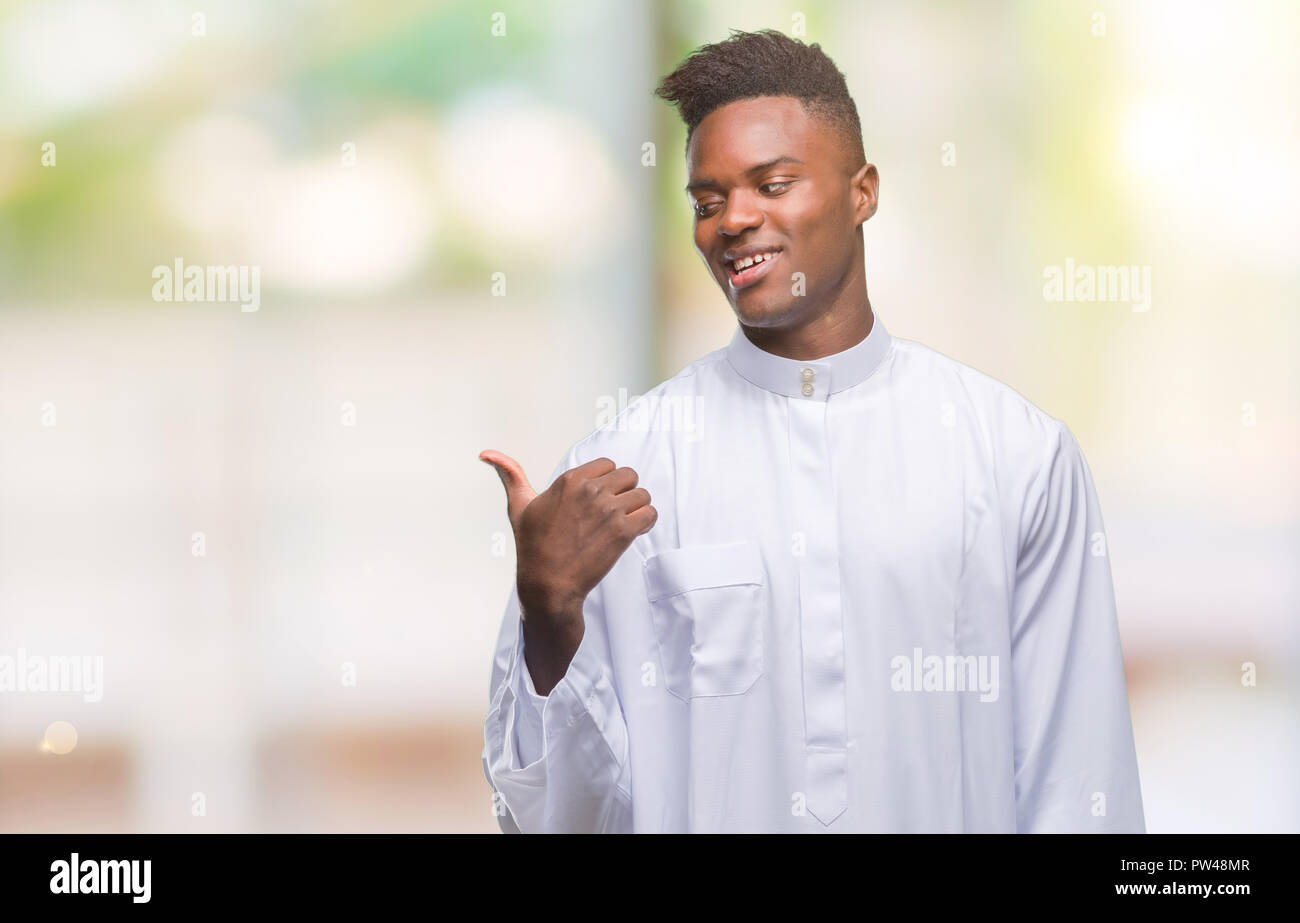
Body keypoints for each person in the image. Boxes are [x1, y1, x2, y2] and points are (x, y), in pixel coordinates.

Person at [478, 29, 1144, 833]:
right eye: (708, 200)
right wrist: (548, 613)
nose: (734, 221)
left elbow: (1079, 784)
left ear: (862, 191)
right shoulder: (618, 477)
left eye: (773, 182)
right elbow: (567, 820)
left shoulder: (1017, 457)